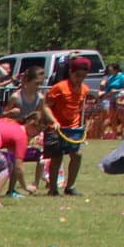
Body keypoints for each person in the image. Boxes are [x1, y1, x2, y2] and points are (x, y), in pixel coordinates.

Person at [41, 60, 88, 197]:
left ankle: (70, 186)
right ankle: (53, 188)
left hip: (73, 128)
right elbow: (45, 106)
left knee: (77, 155)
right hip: (55, 128)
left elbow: (79, 108)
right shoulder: (59, 87)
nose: (79, 79)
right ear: (70, 72)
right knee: (56, 158)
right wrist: (53, 121)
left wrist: (83, 123)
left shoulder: (84, 89)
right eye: (77, 75)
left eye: (83, 76)